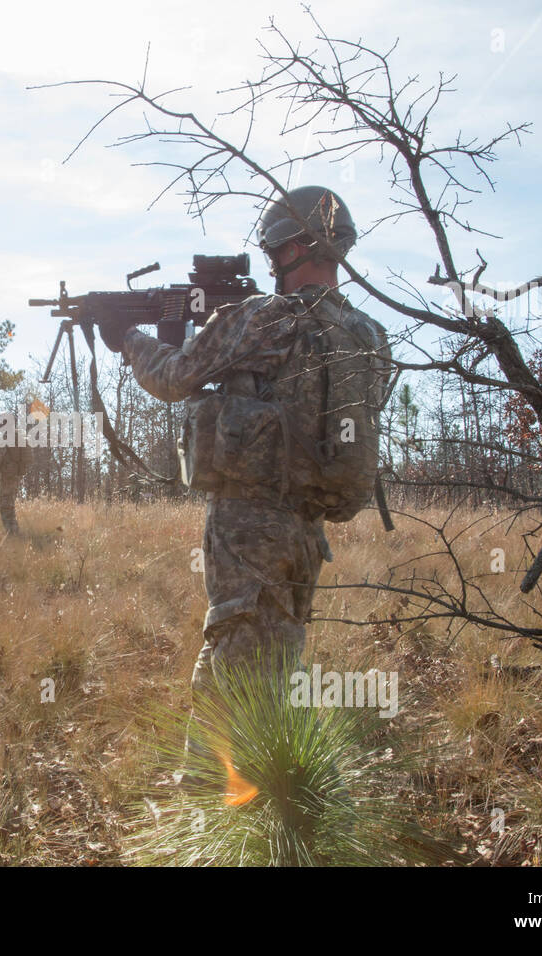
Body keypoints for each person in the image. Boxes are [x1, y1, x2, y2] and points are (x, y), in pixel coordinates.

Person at [98, 186, 391, 776]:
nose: (269, 258)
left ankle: (211, 816)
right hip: (308, 533)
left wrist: (128, 338)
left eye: (273, 246)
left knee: (228, 676)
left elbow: (174, 376)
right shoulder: (368, 334)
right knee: (278, 669)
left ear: (299, 245)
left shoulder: (263, 319)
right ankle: (279, 807)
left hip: (249, 526)